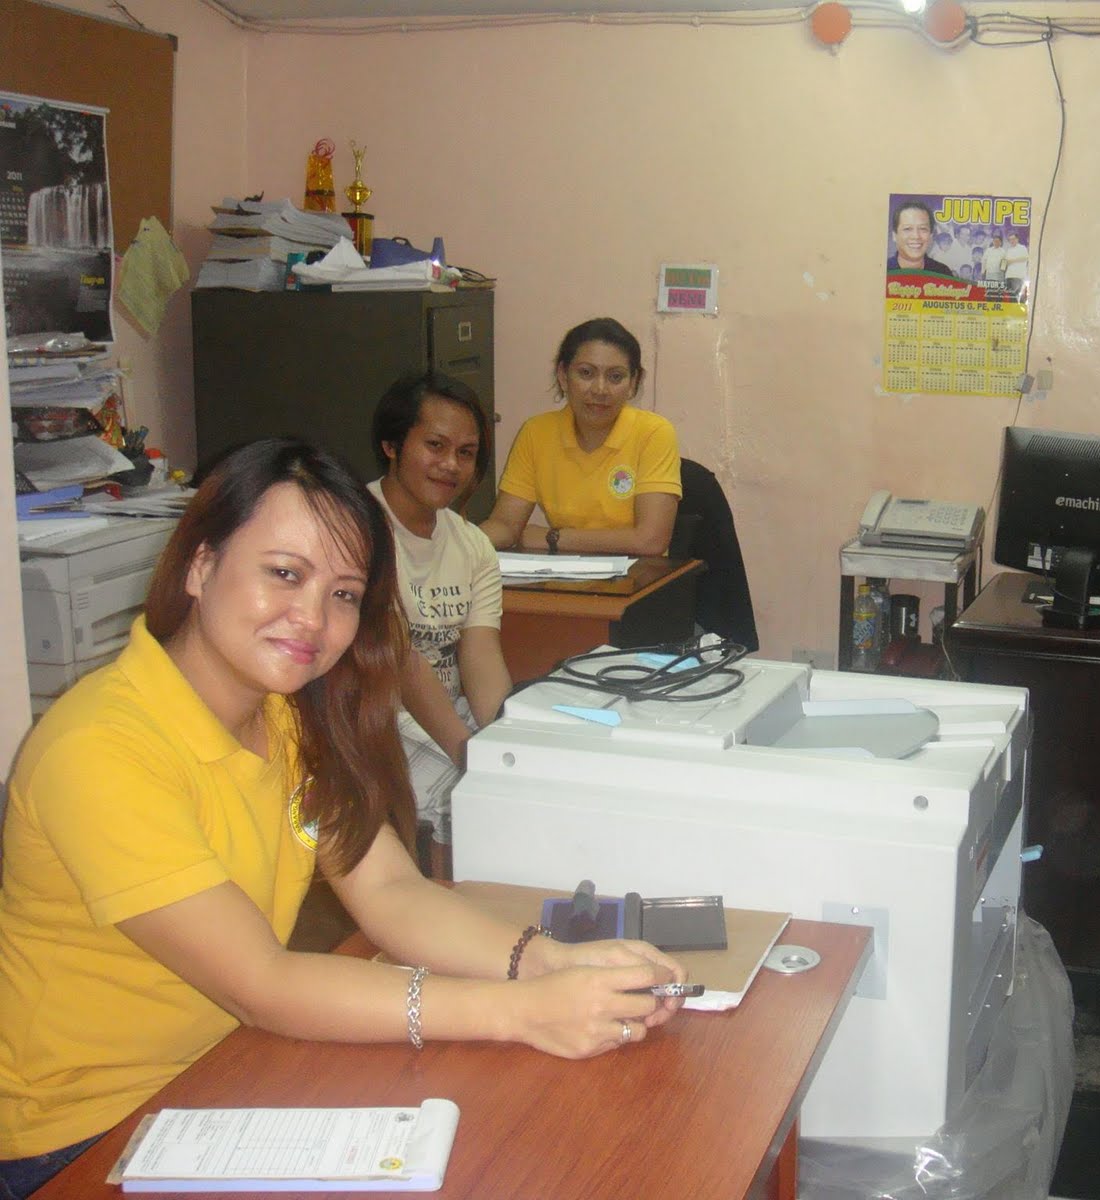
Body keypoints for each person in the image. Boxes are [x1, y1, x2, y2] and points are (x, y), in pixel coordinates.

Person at [0, 439, 684, 1199]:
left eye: (345, 594)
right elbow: (261, 982)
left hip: (224, 1078)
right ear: (199, 565)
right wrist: (524, 1012)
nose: (313, 620)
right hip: (83, 1139)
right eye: (284, 574)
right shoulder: (101, 749)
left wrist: (548, 960)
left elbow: (389, 889)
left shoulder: (281, 715)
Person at [369, 371, 510, 864]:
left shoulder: (472, 543)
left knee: (534, 774)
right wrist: (469, 754)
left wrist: (503, 737)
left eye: (466, 453)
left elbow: (481, 654)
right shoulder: (356, 528)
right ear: (391, 444)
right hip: (374, 716)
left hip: (445, 709)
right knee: (471, 806)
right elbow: (401, 661)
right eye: (435, 445)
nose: (450, 465)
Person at [480, 318, 681, 557]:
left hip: (640, 581)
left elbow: (650, 541)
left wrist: (553, 537)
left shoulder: (654, 433)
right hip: (564, 578)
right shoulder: (536, 432)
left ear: (633, 383)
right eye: (586, 373)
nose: (600, 389)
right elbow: (505, 525)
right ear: (563, 376)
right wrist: (459, 546)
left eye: (616, 377)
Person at [886, 199, 955, 276]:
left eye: (923, 229)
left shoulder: (943, 273)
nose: (916, 236)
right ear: (894, 236)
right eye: (907, 229)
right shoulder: (882, 271)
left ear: (931, 236)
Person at [1001, 232, 1030, 298]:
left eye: (1013, 239)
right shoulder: (1008, 250)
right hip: (1009, 276)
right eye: (1010, 239)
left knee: (1016, 296)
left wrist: (1012, 261)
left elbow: (1025, 258)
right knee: (1010, 296)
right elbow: (1005, 262)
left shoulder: (1022, 248)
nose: (1012, 241)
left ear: (1017, 239)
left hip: (1018, 276)